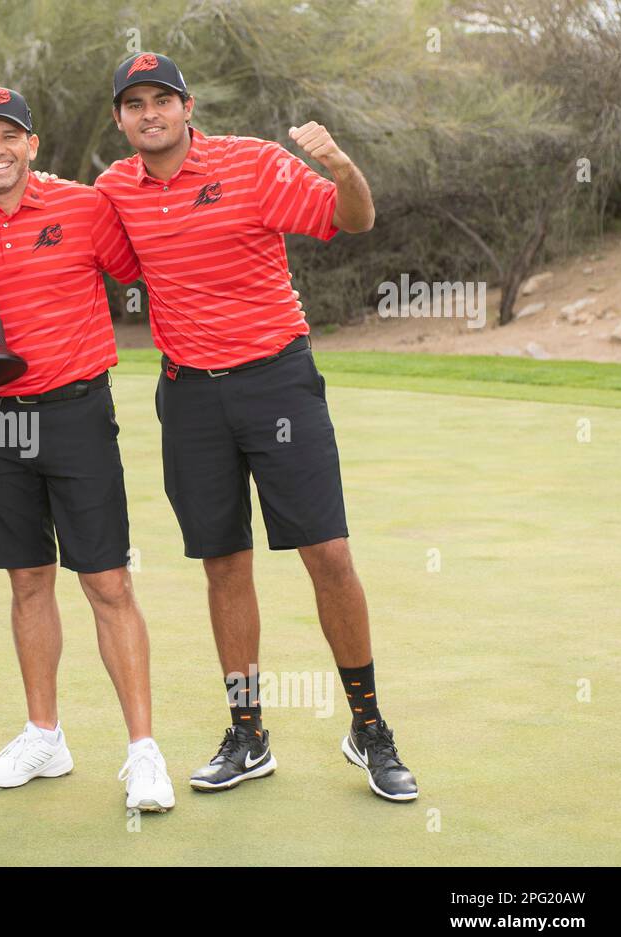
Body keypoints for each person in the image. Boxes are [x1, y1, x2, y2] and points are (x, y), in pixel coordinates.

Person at [95, 52, 418, 801]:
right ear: (120, 118)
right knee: (224, 563)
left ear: (187, 104)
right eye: (135, 104)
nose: (150, 114)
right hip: (190, 398)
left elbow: (354, 219)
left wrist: (344, 168)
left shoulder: (253, 164)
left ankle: (369, 730)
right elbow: (46, 214)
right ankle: (248, 736)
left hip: (276, 381)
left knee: (328, 555)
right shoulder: (116, 188)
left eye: (162, 100)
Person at [0, 87, 175, 812]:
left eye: (9, 137)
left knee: (108, 583)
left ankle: (143, 753)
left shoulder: (83, 207)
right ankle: (44, 736)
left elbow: (152, 269)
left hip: (75, 413)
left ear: (32, 145)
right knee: (28, 582)